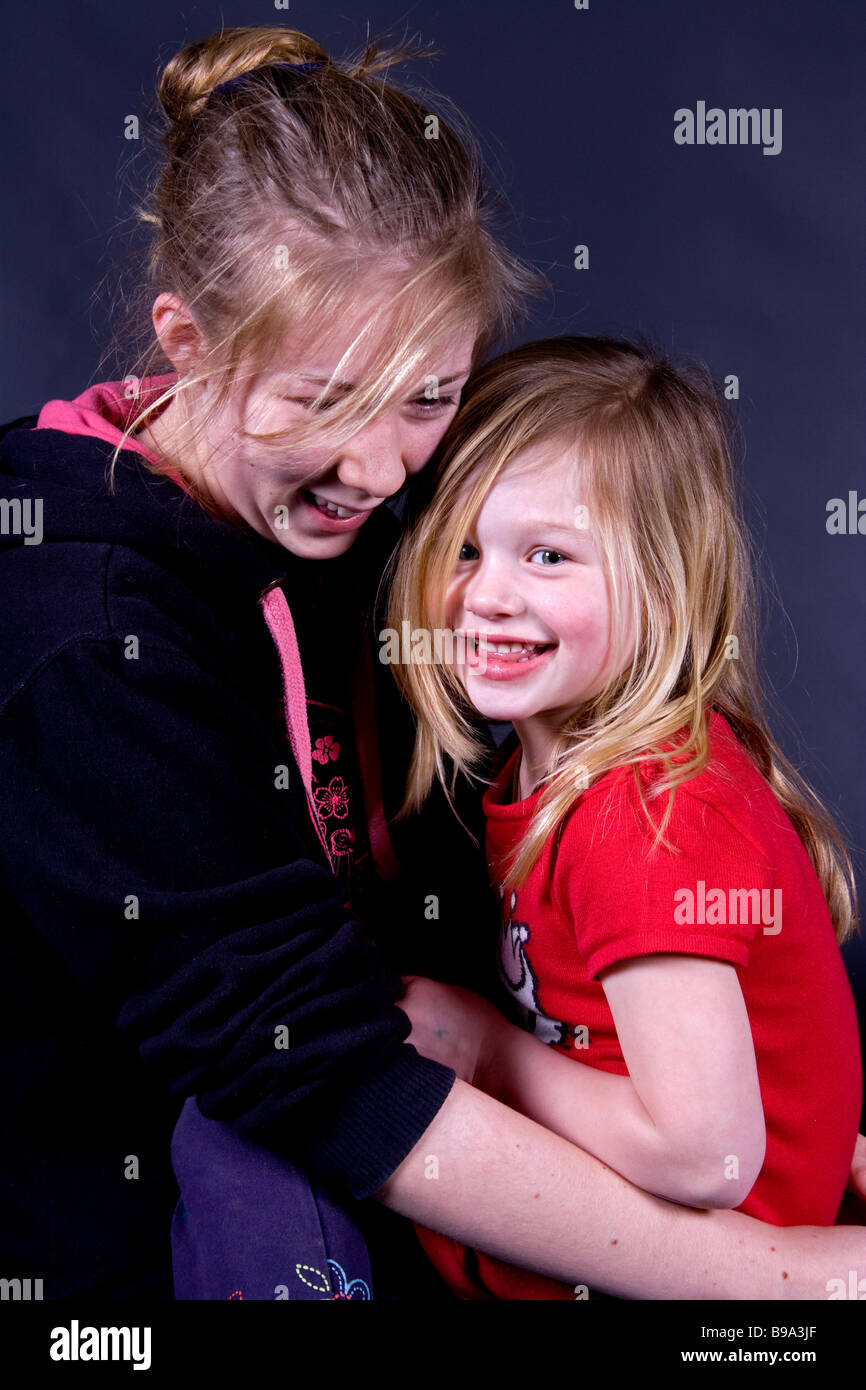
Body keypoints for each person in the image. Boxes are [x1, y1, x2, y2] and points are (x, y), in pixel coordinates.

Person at [0, 25, 863, 1302]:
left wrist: (810, 1121)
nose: (379, 468)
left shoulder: (404, 516)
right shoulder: (83, 634)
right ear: (182, 342)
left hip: (485, 1134)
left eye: (426, 396)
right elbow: (306, 1068)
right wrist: (781, 1279)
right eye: (320, 401)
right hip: (169, 1222)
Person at [387, 336, 864, 1298]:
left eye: (549, 555)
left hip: (703, 1271)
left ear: (661, 586)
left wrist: (481, 1047)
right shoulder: (558, 766)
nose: (486, 595)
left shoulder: (641, 814)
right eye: (466, 547)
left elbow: (705, 1160)